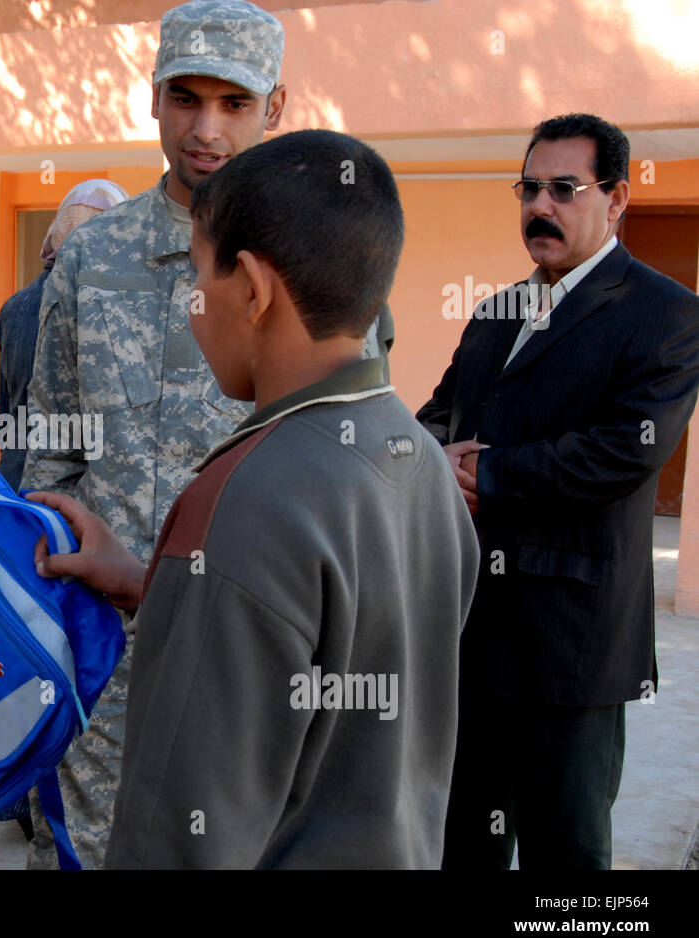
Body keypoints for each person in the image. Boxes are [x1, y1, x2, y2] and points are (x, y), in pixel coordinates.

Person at [31, 130, 478, 868]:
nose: (193, 305)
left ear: (253, 288)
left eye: (199, 278)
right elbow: (319, 655)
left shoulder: (247, 496)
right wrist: (155, 589)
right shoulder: (420, 463)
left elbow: (176, 836)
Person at [21, 0, 392, 869]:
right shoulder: (90, 257)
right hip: (101, 666)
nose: (205, 128)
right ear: (152, 98)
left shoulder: (326, 265)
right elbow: (50, 450)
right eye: (184, 98)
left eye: (233, 103)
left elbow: (352, 466)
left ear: (276, 107)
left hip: (250, 660)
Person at [417, 113, 699, 870]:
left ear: (616, 199)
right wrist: (432, 461)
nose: (541, 206)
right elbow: (434, 421)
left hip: (573, 646)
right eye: (530, 188)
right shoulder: (494, 312)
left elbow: (622, 454)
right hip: (474, 633)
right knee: (462, 845)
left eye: (564, 189)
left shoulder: (666, 314)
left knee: (566, 861)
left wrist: (491, 472)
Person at [0, 179, 128, 489]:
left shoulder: (15, 307)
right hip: (77, 497)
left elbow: (3, 412)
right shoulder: (112, 308)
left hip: (14, 483)